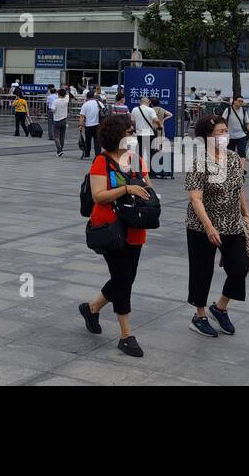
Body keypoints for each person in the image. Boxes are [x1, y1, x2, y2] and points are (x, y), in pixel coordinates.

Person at [78, 114, 153, 358]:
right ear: (116, 135)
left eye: (133, 132)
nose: (132, 136)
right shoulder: (102, 162)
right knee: (122, 278)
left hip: (135, 228)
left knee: (127, 277)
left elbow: (148, 188)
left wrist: (150, 197)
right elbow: (99, 196)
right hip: (110, 229)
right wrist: (126, 188)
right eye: (129, 132)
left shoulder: (137, 160)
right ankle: (125, 335)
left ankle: (92, 308)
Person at [184, 115, 249, 338]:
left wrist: (247, 216)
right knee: (202, 270)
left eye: (225, 131)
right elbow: (196, 199)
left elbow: (239, 189)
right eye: (219, 132)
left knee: (239, 268)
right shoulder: (198, 161)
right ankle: (200, 315)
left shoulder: (233, 158)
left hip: (232, 223)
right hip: (202, 225)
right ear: (207, 137)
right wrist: (209, 228)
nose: (224, 135)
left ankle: (220, 307)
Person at [223, 95, 249, 160]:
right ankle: (232, 167)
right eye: (239, 101)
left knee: (242, 152)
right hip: (230, 136)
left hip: (241, 135)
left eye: (242, 101)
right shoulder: (228, 110)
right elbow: (222, 121)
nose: (241, 102)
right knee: (230, 153)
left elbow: (248, 123)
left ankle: (242, 169)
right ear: (234, 101)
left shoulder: (243, 111)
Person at [79, 89, 101, 158]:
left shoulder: (85, 105)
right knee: (97, 140)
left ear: (87, 97)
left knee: (88, 140)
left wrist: (80, 125)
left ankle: (87, 153)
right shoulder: (99, 103)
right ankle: (98, 153)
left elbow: (82, 116)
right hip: (97, 124)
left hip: (88, 125)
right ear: (94, 96)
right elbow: (104, 111)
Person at [51, 86, 71, 157]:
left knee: (56, 136)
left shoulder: (55, 101)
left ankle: (59, 150)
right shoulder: (66, 100)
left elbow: (52, 110)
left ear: (58, 94)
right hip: (64, 120)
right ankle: (60, 151)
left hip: (57, 120)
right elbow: (67, 95)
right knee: (62, 136)